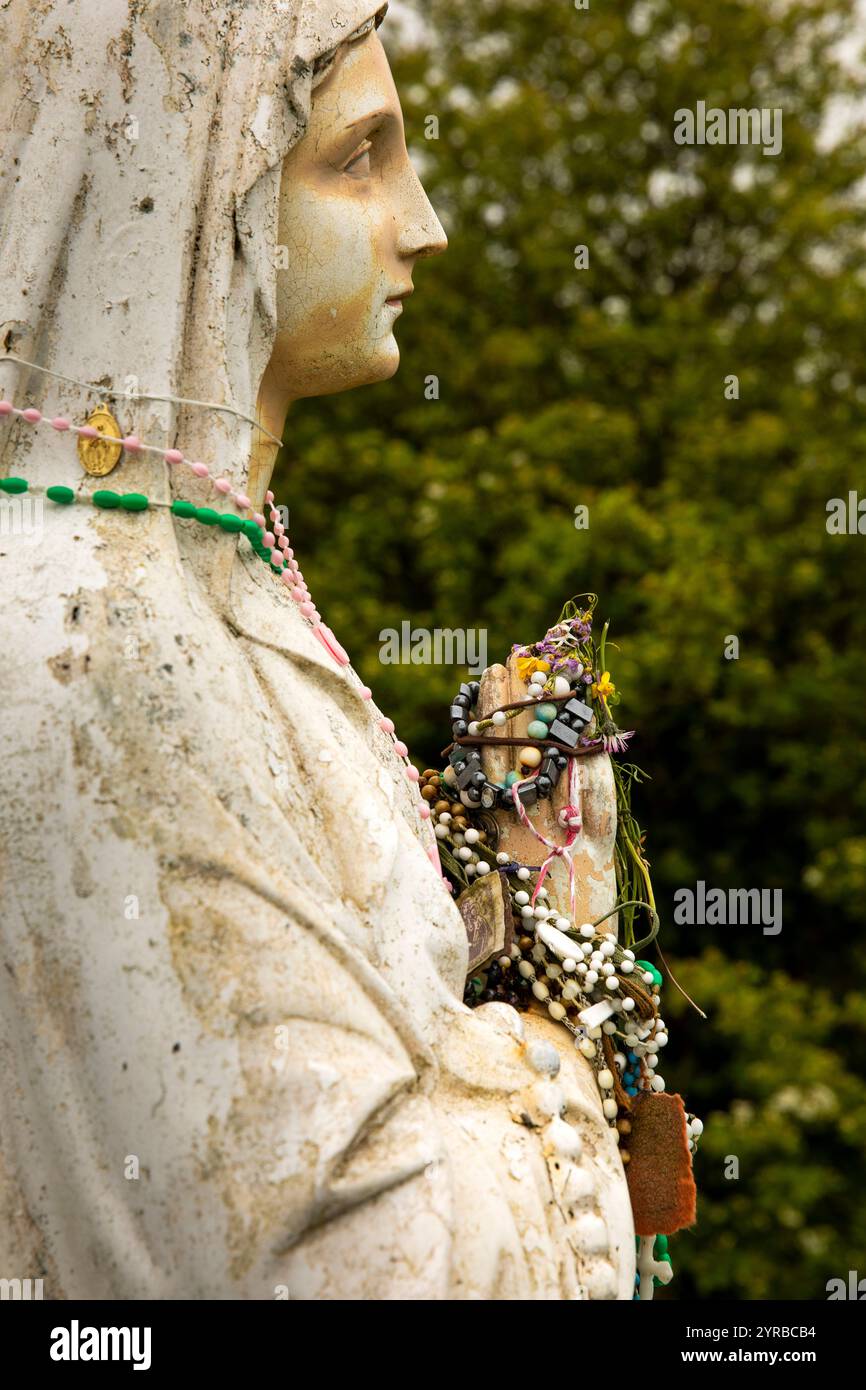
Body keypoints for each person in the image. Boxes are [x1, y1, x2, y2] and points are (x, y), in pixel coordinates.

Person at [0, 0, 633, 1298]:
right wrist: (569, 982)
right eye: (359, 159)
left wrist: (496, 896)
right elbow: (357, 1263)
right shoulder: (108, 640)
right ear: (188, 188)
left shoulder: (202, 581)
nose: (423, 224)